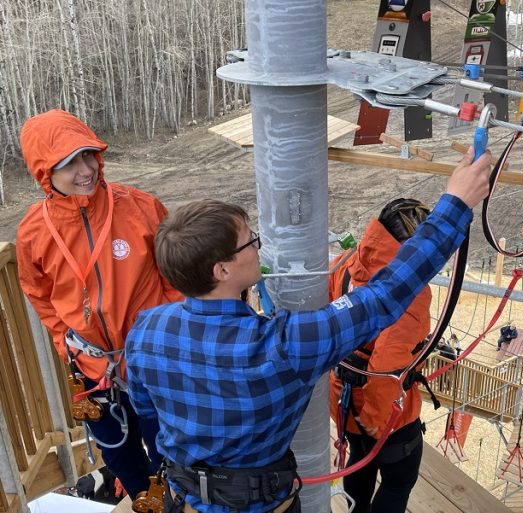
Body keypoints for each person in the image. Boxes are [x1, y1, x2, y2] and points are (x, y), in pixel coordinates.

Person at [125, 147, 492, 513]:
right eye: (250, 242)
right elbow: (385, 296)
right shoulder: (284, 345)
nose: (259, 245)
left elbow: (148, 412)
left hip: (184, 500)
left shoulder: (146, 331)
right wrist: (455, 205)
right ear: (221, 271)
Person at [15, 109, 183, 499]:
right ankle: (146, 502)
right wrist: (63, 340)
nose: (86, 169)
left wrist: (170, 335)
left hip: (151, 360)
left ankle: (176, 502)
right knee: (120, 454)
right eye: (70, 163)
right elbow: (38, 291)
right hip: (91, 368)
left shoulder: (141, 208)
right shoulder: (33, 232)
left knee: (168, 450)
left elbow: (175, 278)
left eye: (88, 155)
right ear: (45, 172)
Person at [328, 198, 432, 513]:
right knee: (398, 481)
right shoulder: (408, 291)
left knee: (359, 462)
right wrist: (377, 424)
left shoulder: (347, 263)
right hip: (385, 412)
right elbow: (387, 367)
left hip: (344, 398)